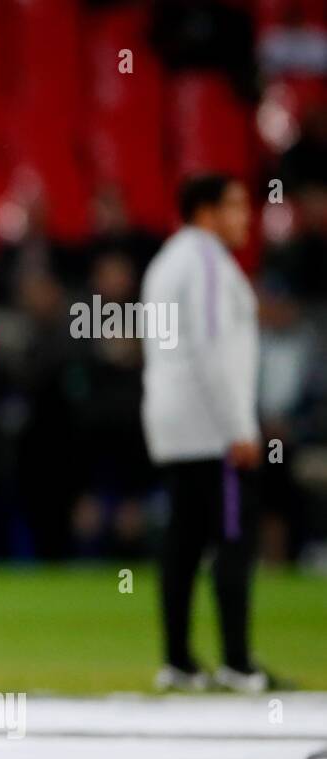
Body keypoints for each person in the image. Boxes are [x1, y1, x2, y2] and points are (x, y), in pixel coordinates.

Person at [142, 174, 273, 693]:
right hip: (211, 426)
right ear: (206, 212)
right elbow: (214, 345)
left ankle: (178, 661)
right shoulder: (208, 264)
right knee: (235, 539)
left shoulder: (168, 260)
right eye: (236, 206)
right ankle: (238, 662)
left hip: (173, 424)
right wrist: (239, 426)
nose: (246, 218)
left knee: (184, 543)